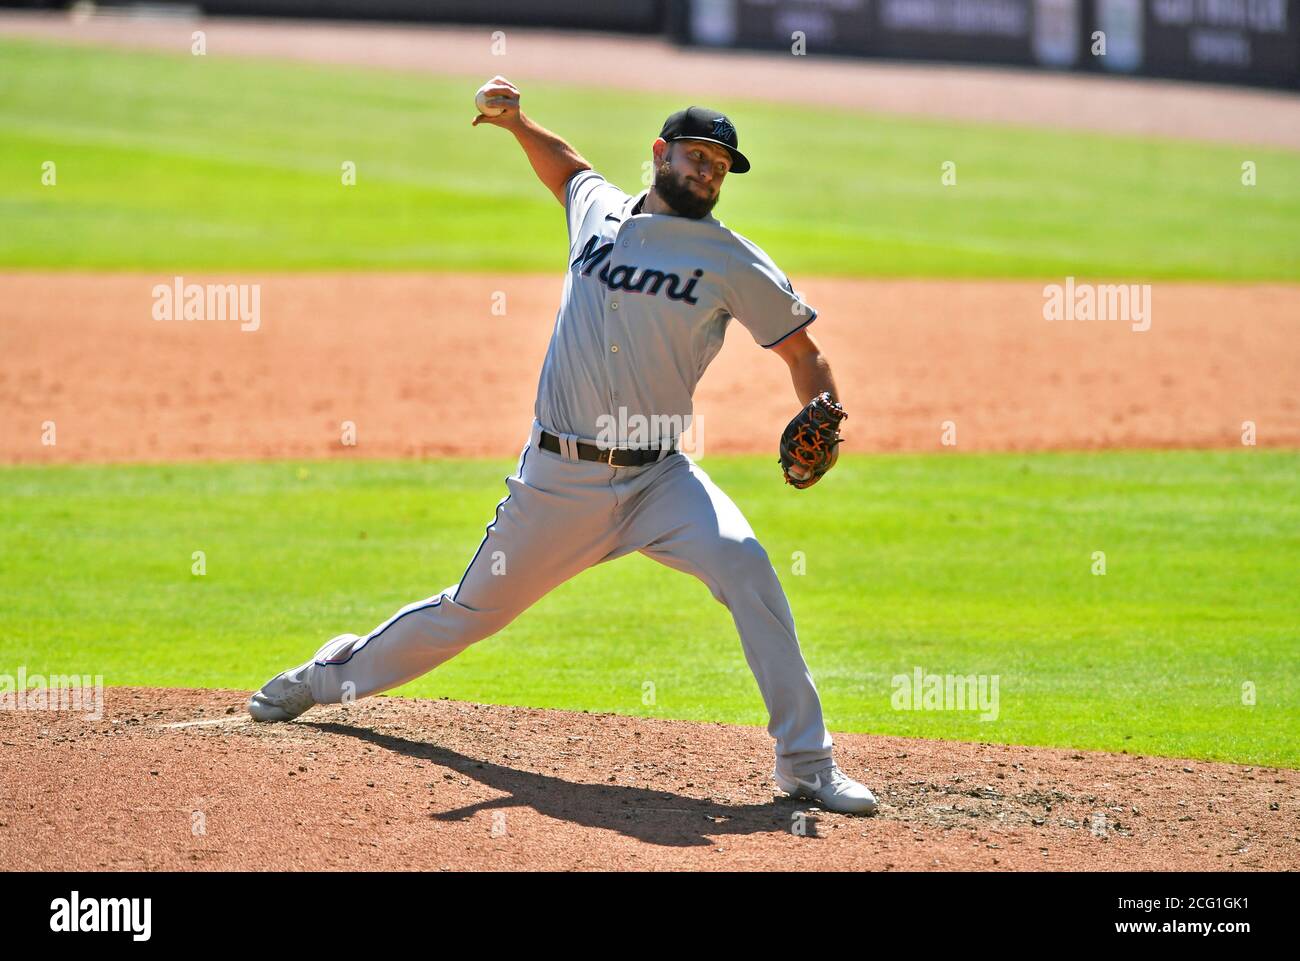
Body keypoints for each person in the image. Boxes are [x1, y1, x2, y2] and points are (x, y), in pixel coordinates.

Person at [247, 76, 877, 815]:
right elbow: (568, 167)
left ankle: (807, 764)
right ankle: (325, 676)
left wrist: (824, 415)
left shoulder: (731, 260)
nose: (707, 171)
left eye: (719, 164)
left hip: (659, 481)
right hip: (556, 480)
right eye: (697, 156)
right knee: (466, 614)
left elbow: (804, 352)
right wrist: (516, 125)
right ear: (661, 153)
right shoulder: (600, 211)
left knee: (746, 564)